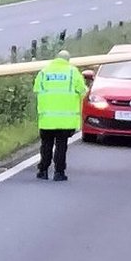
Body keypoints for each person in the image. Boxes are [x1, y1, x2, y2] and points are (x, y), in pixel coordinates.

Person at [33, 50, 87, 182]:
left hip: (47, 118)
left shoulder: (44, 72)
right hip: (65, 119)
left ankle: (43, 170)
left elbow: (36, 90)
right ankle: (59, 172)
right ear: (68, 60)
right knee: (61, 146)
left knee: (46, 145)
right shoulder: (73, 72)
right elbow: (82, 91)